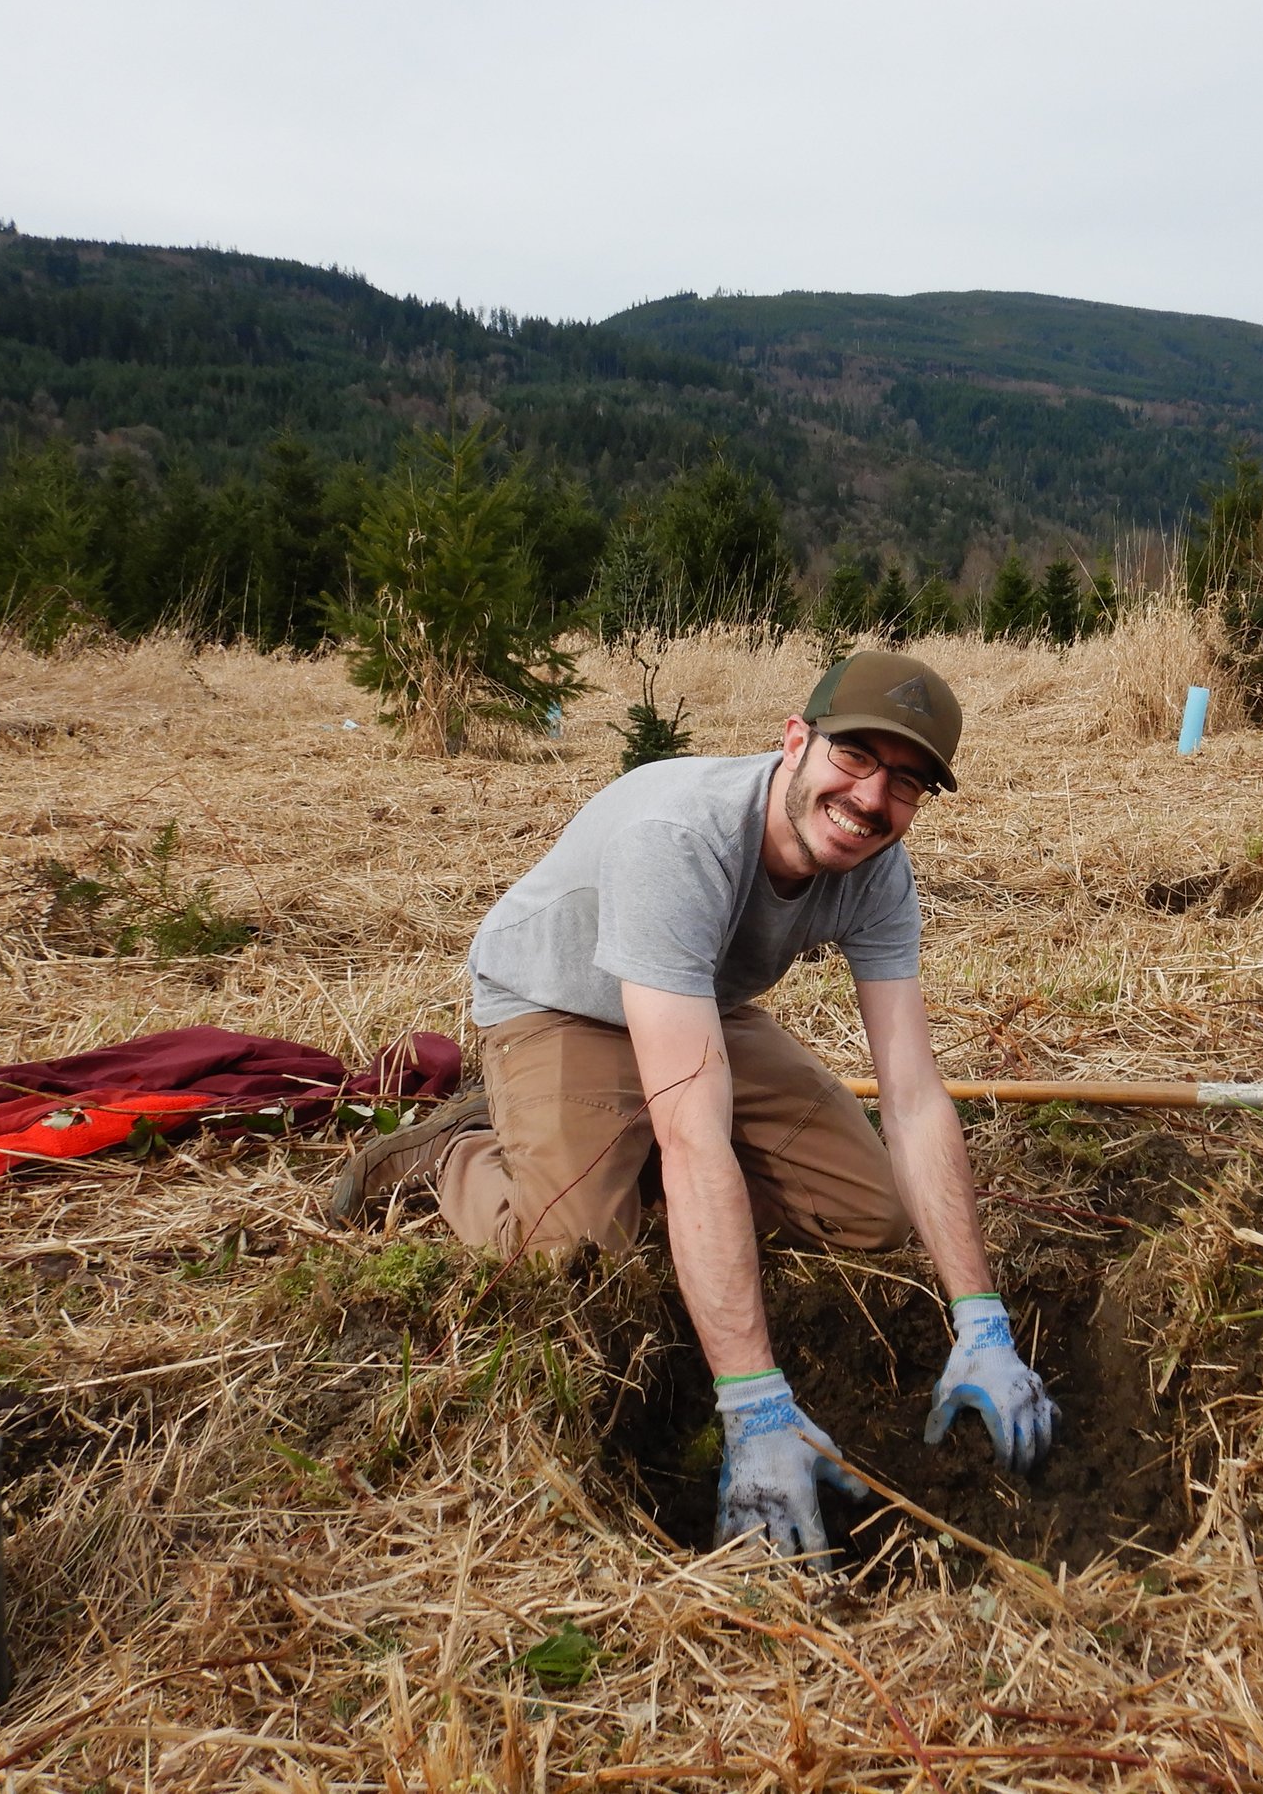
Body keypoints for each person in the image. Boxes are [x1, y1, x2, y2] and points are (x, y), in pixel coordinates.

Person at [327, 650, 1058, 1562]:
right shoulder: (681, 835)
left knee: (875, 1211)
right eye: (857, 758)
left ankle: (631, 1174)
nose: (873, 798)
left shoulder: (878, 870)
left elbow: (912, 1096)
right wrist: (754, 1402)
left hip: (695, 1002)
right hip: (561, 1000)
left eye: (906, 781)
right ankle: (455, 1150)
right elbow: (693, 1126)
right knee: (578, 1254)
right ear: (795, 740)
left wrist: (981, 1320)